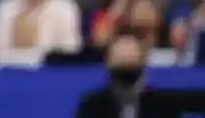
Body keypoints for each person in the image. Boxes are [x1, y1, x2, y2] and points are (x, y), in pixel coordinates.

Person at [74, 30, 205, 117]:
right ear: (108, 66)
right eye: (121, 70)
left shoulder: (160, 104)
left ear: (143, 65)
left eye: (132, 68)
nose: (126, 80)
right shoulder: (93, 105)